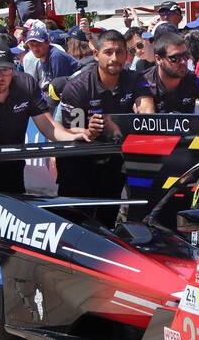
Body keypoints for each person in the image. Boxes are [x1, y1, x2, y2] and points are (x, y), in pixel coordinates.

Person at [0, 43, 93, 194]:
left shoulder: (26, 84)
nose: (0, 77)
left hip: (12, 166)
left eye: (6, 70)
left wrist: (73, 135)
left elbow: (48, 126)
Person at [55, 29, 153, 224]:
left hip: (113, 161)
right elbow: (69, 129)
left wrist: (141, 117)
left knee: (107, 221)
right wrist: (88, 131)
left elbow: (147, 110)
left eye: (119, 52)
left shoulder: (134, 79)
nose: (114, 58)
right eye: (108, 52)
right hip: (77, 161)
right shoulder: (77, 86)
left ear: (127, 55)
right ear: (96, 54)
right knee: (74, 221)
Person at [22, 20, 77, 90]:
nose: (35, 49)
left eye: (38, 44)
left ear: (47, 43)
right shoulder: (43, 56)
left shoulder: (56, 56)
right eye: (31, 45)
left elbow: (61, 87)